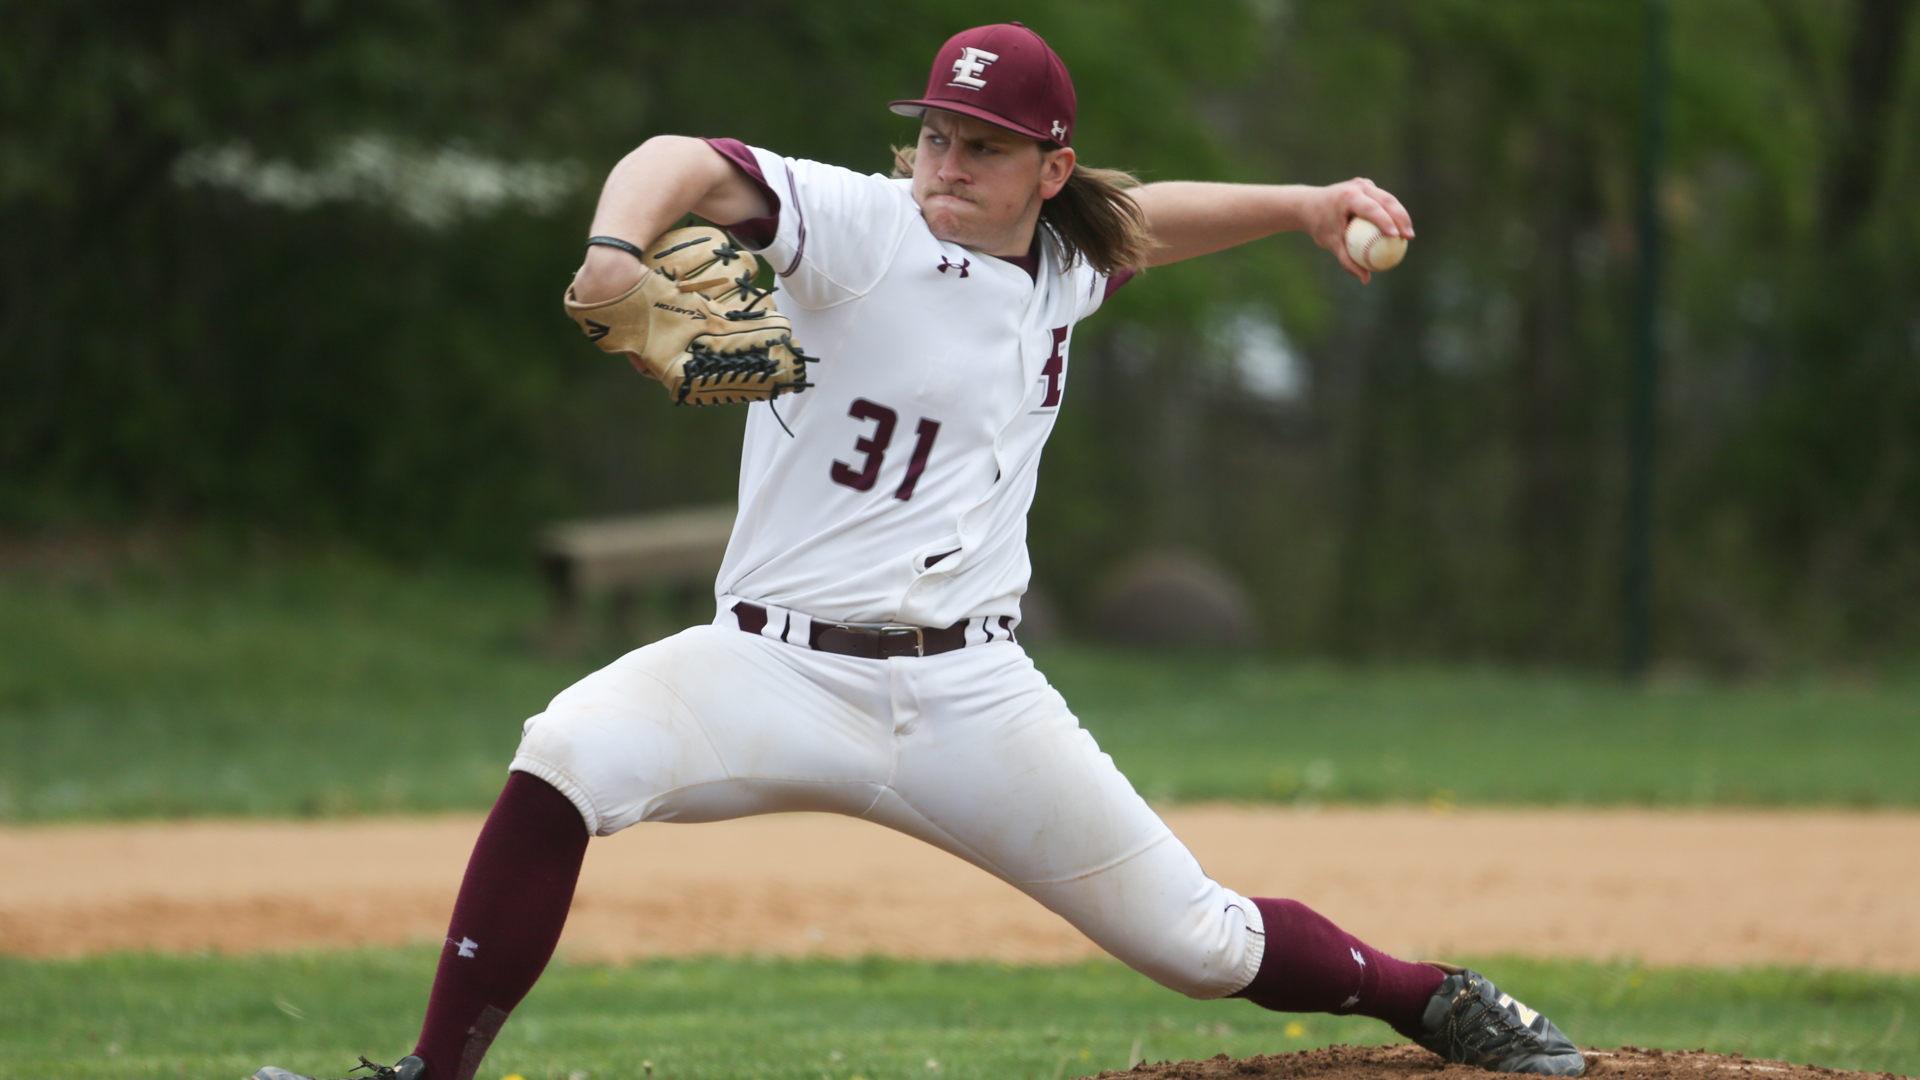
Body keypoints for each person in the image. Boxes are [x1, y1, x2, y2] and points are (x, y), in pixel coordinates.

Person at [255, 23, 1584, 1080]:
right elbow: (682, 158)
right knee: (566, 753)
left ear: (1049, 174)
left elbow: (1151, 220)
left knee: (1199, 943)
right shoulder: (857, 227)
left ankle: (1438, 999)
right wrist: (615, 246)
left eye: (986, 148)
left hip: (970, 696)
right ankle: (429, 1075)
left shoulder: (1066, 261)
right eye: (939, 133)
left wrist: (1302, 205)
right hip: (767, 670)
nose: (948, 163)